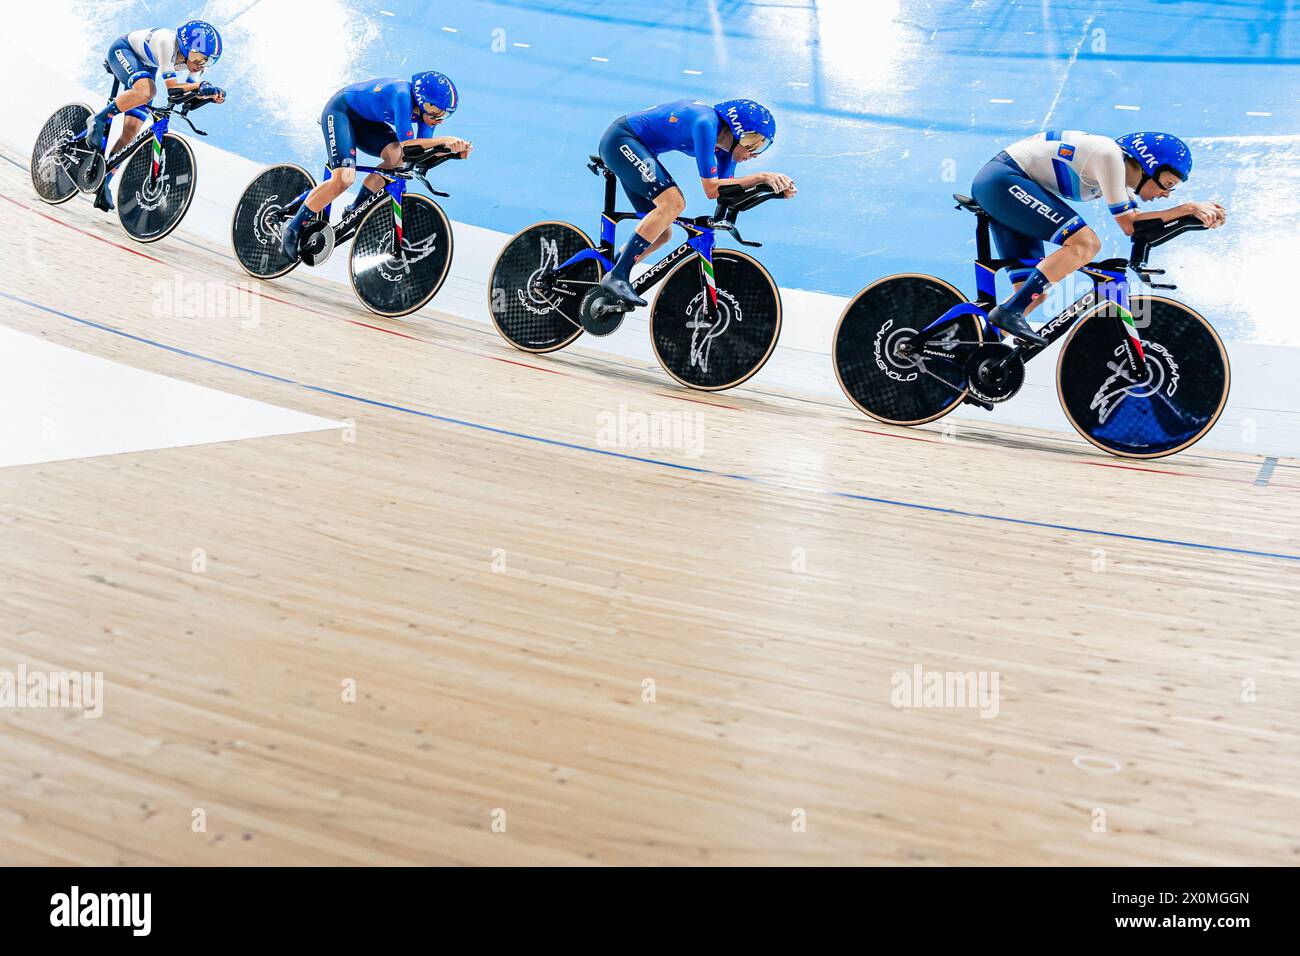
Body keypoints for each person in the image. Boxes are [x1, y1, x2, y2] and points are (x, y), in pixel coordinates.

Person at [971, 130, 1226, 345]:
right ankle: (1008, 312)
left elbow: (1141, 228)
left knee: (1032, 295)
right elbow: (1129, 225)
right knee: (1085, 244)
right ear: (1149, 166)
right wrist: (1187, 208)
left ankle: (975, 354)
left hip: (1007, 186)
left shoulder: (1121, 174)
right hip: (1003, 181)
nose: (1167, 194)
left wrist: (1189, 222)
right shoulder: (1109, 157)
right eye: (1167, 184)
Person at [595, 98, 797, 306]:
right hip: (622, 139)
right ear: (737, 130)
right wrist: (761, 177)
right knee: (673, 203)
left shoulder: (726, 151)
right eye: (753, 142)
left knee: (662, 233)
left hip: (640, 149)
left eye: (761, 146)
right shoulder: (705, 123)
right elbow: (711, 188)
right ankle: (618, 275)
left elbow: (725, 194)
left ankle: (606, 268)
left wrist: (771, 191)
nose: (754, 153)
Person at [280, 71, 472, 261]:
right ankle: (293, 227)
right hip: (341, 112)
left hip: (367, 123)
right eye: (437, 112)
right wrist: (445, 140)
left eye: (445, 114)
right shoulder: (402, 96)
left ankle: (354, 210)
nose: (439, 118)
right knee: (344, 179)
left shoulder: (429, 116)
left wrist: (450, 151)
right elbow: (408, 145)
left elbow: (419, 153)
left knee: (397, 158)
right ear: (423, 102)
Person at [86, 19, 227, 212]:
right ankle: (99, 119)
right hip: (124, 51)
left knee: (131, 131)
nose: (199, 65)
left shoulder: (195, 66)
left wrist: (209, 96)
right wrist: (199, 87)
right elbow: (173, 89)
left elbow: (185, 99)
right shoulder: (166, 42)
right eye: (197, 57)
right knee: (147, 91)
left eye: (207, 60)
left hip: (145, 66)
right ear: (185, 47)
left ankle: (104, 183)